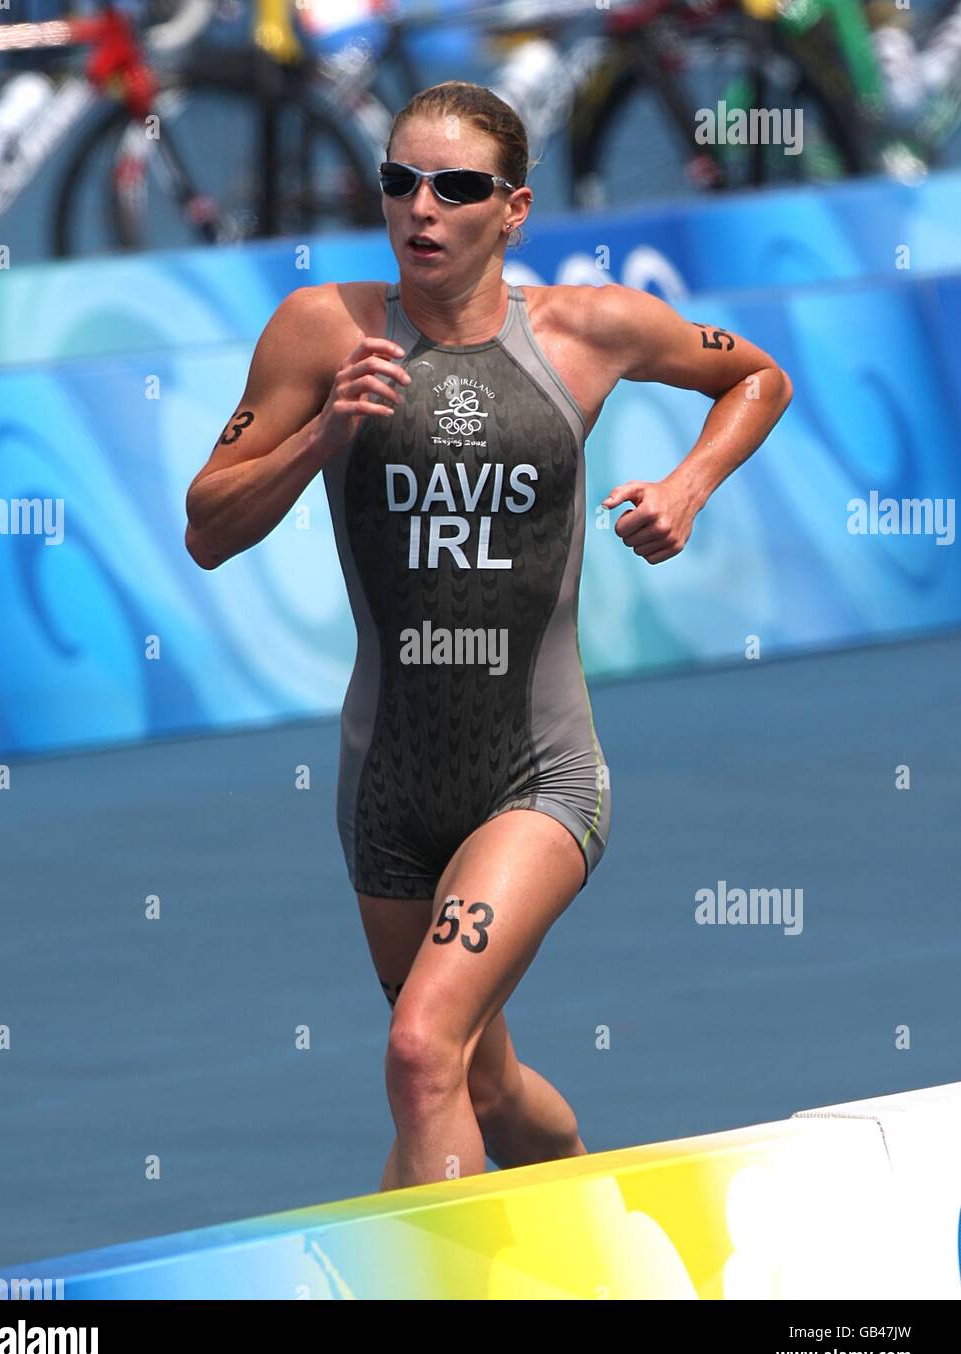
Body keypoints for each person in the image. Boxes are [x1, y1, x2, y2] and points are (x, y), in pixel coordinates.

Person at [184, 81, 793, 1193]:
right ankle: (591, 1216)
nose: (421, 208)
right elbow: (207, 528)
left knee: (421, 1053)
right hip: (387, 789)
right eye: (398, 181)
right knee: (484, 1083)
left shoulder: (588, 327)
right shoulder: (324, 330)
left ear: (511, 210)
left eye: (456, 187)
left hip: (538, 775)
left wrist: (693, 487)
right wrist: (324, 433)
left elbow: (756, 373)